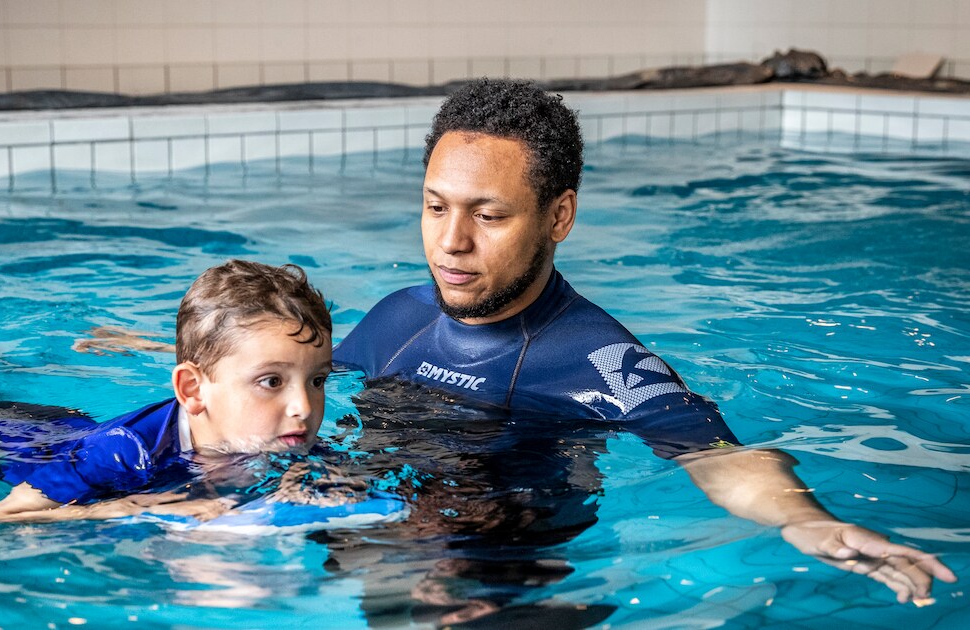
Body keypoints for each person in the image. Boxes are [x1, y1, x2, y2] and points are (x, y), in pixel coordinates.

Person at [330, 78, 955, 607]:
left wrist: (806, 521)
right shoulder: (395, 317)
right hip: (369, 534)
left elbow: (715, 455)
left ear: (560, 217)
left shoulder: (596, 358)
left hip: (498, 574)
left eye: (488, 216)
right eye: (435, 208)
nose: (451, 242)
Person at [0, 260, 335, 524]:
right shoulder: (125, 454)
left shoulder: (282, 435)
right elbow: (0, 516)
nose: (303, 407)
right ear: (194, 389)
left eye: (317, 380)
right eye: (271, 381)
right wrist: (134, 507)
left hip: (51, 423)